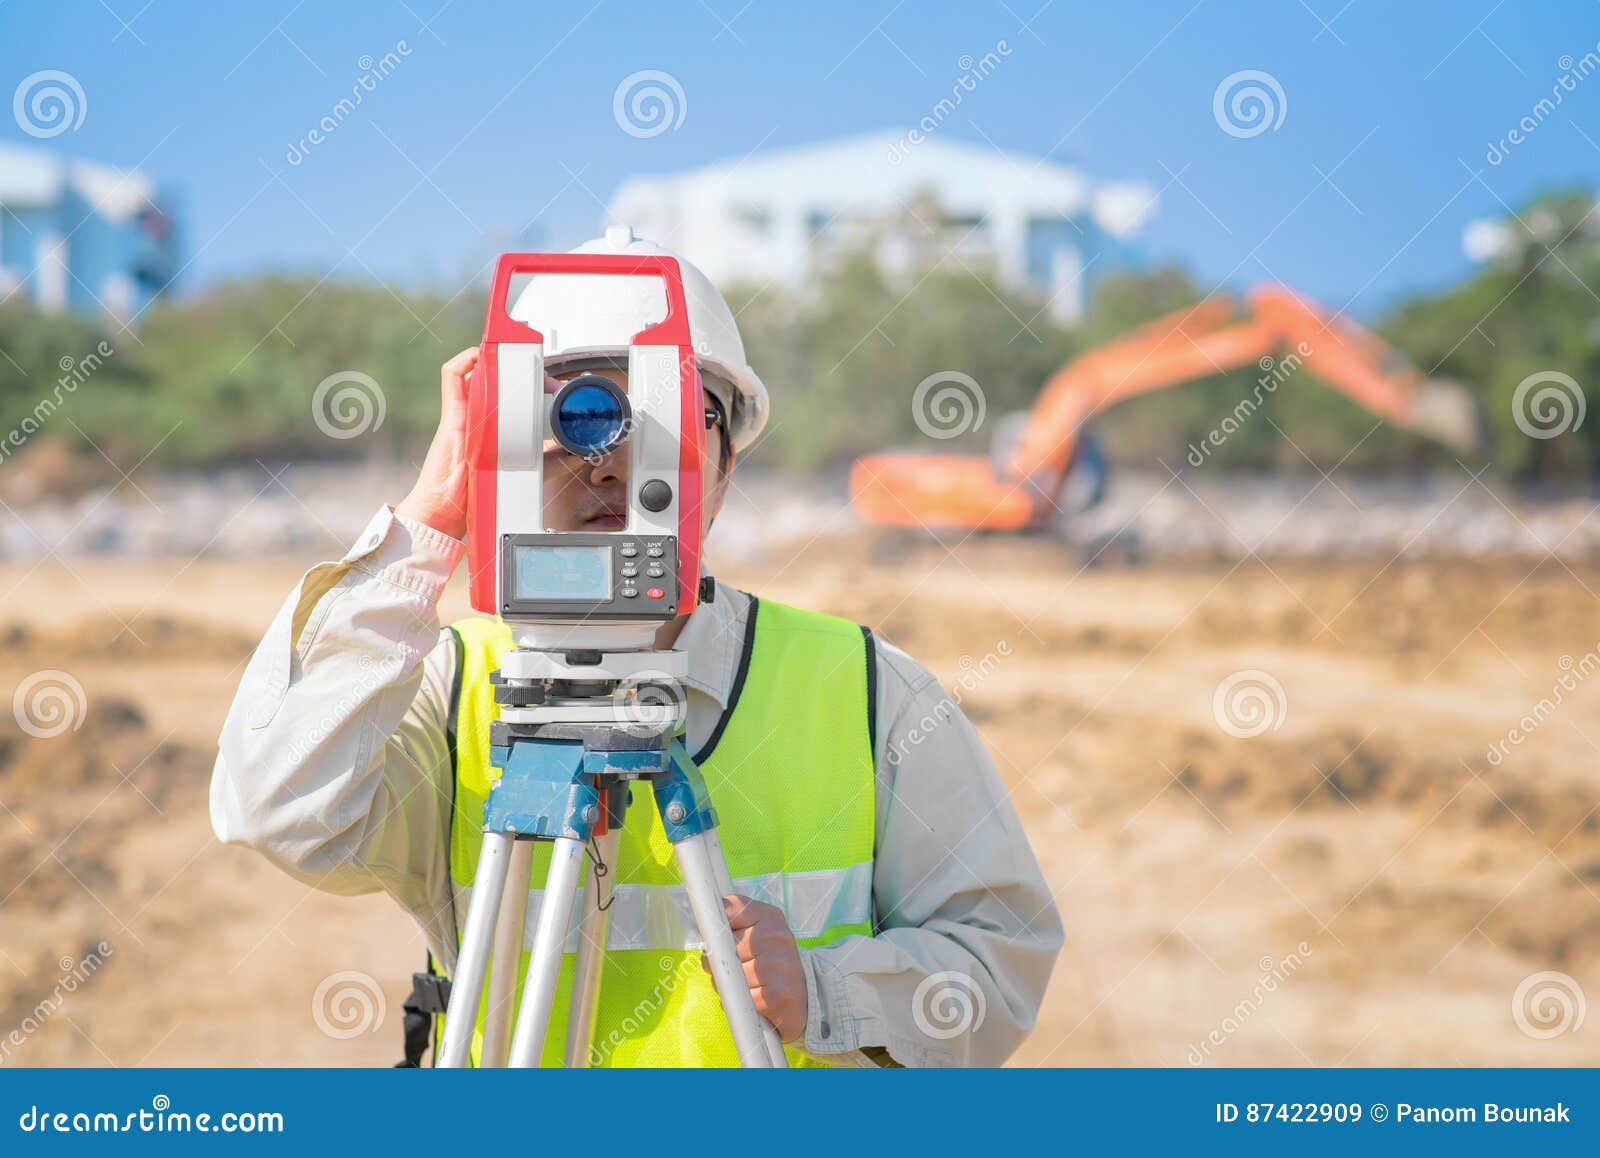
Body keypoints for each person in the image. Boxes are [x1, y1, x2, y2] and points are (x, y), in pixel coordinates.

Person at [210, 228, 1061, 1067]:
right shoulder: (450, 687)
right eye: (572, 414)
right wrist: (427, 522)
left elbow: (1001, 961)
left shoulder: (868, 691)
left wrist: (831, 991)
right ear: (498, 445)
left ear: (726, 467)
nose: (608, 459)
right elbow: (278, 806)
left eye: (659, 417)